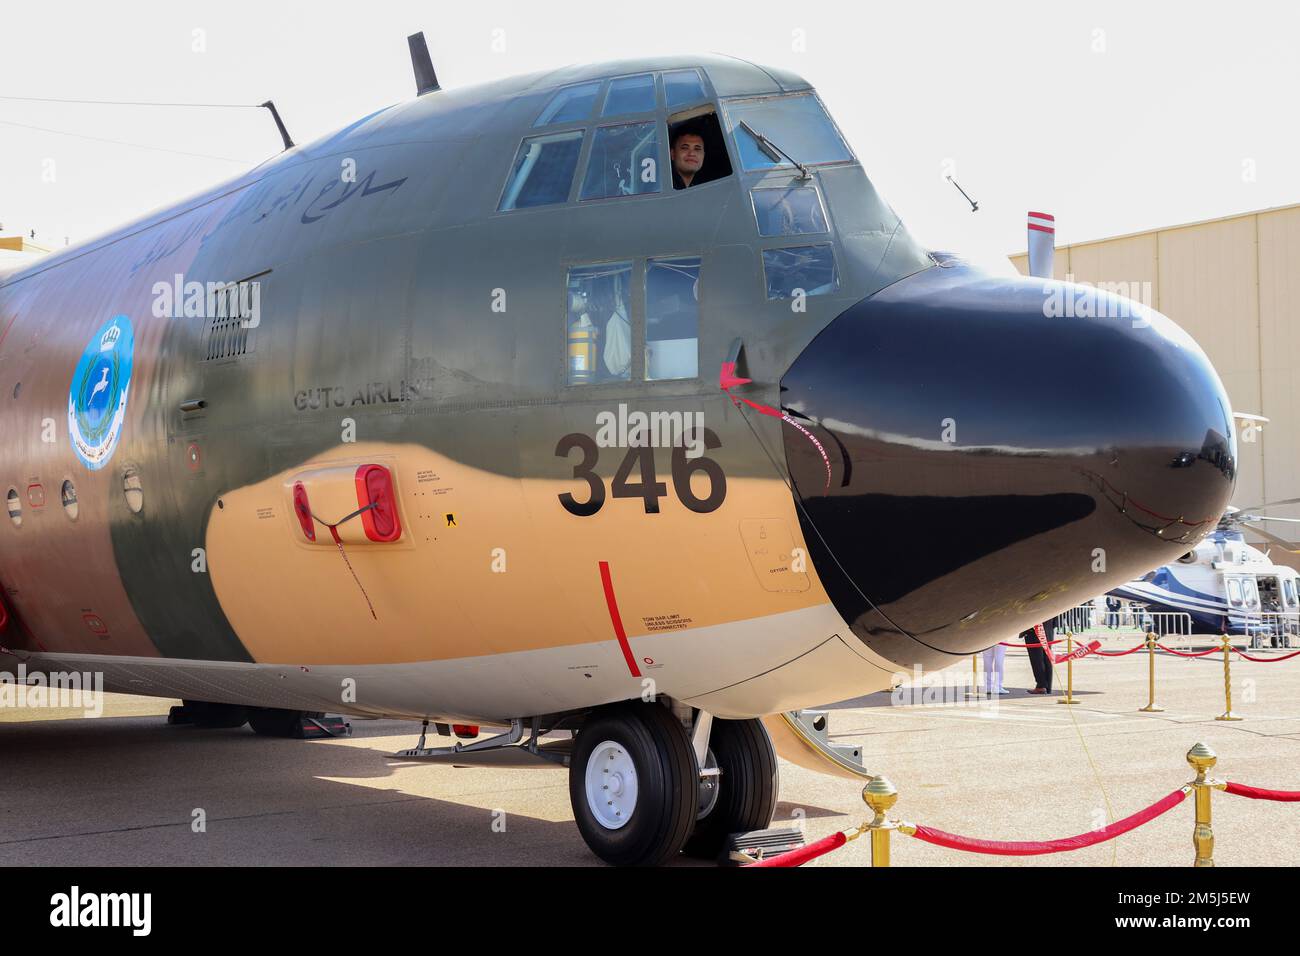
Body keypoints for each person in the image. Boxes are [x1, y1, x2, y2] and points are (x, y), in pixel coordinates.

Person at [1022, 618, 1056, 694]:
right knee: (1047, 658)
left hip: (1035, 630)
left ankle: (1041, 685)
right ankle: (1047, 686)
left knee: (1036, 659)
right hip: (1048, 630)